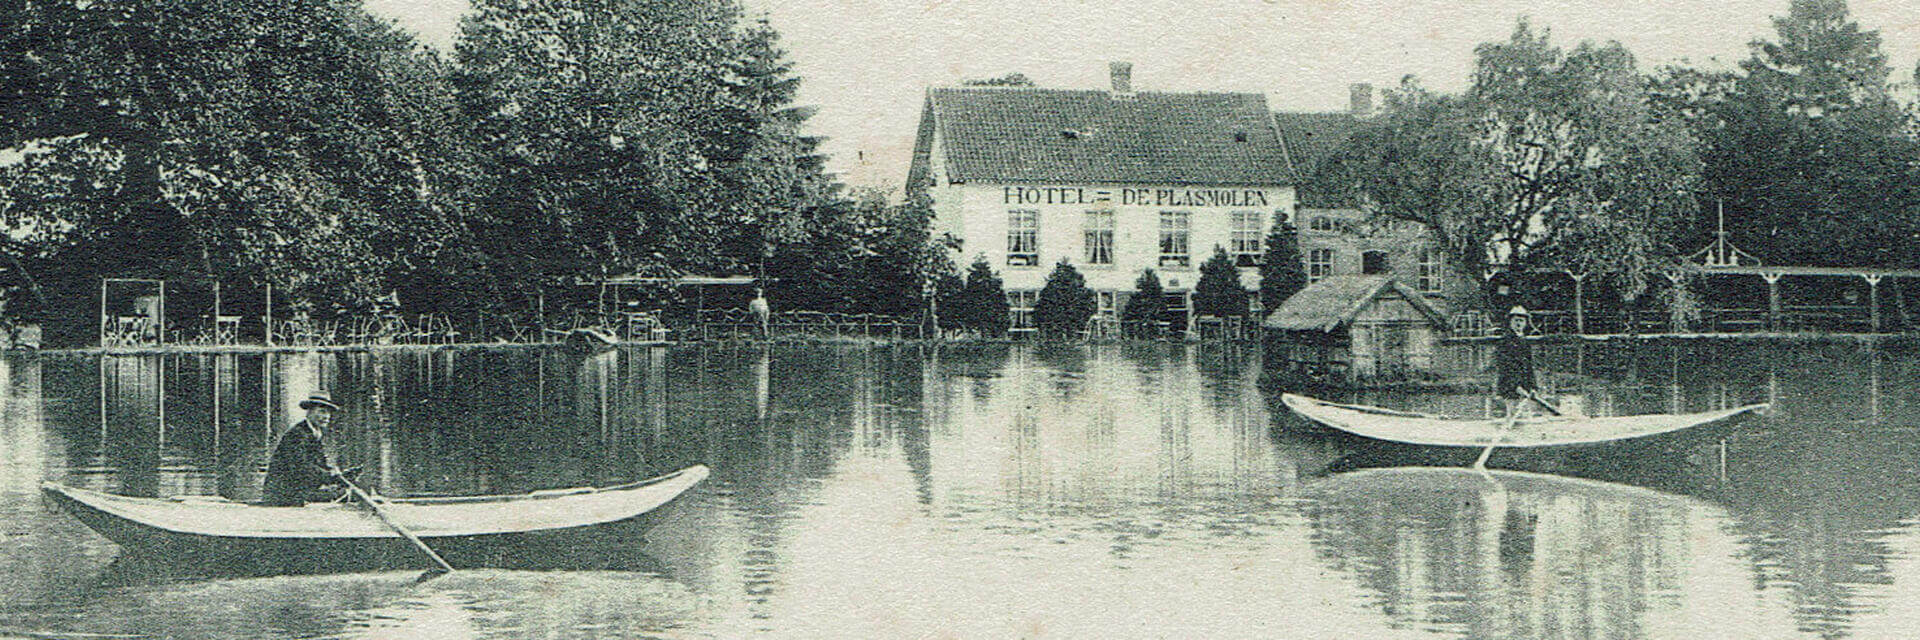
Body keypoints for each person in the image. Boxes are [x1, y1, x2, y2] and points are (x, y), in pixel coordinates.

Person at [262, 393, 348, 506]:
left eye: (329, 413)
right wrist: (331, 476)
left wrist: (337, 474)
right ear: (310, 412)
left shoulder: (314, 433)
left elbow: (318, 465)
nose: (327, 417)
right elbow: (301, 468)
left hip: (297, 491)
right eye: (322, 411)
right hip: (284, 495)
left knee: (343, 492)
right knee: (344, 495)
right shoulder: (297, 434)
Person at [1494, 305, 1538, 422]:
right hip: (1510, 384)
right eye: (1516, 320)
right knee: (1513, 414)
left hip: (1525, 385)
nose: (1518, 323)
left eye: (1521, 320)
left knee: (1524, 416)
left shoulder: (1524, 340)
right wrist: (1516, 386)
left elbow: (1529, 365)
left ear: (1525, 323)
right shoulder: (1505, 341)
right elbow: (1505, 366)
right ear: (1510, 322)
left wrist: (1533, 386)